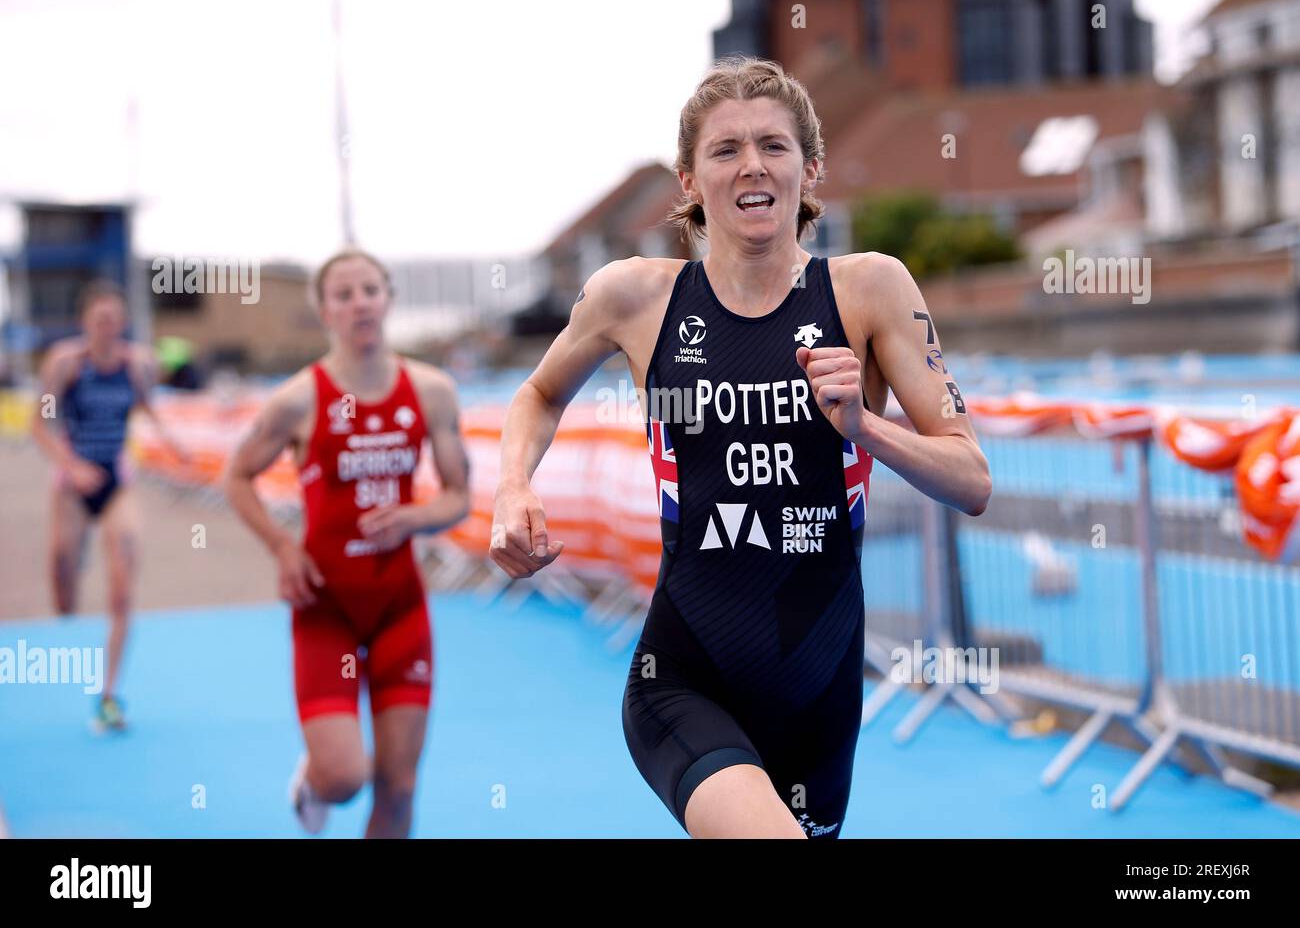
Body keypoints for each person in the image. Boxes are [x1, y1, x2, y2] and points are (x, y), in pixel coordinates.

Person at [489, 57, 991, 838]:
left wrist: (866, 427)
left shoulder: (870, 289)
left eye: (773, 146)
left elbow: (972, 479)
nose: (751, 165)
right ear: (689, 180)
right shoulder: (635, 296)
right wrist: (513, 488)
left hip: (821, 683)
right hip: (682, 675)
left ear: (810, 168)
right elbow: (539, 393)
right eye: (726, 150)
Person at [223, 249, 470, 838]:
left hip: (398, 609)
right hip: (325, 608)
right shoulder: (297, 400)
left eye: (369, 290)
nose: (359, 303)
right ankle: (313, 780)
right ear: (324, 311)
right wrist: (283, 549)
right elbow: (235, 476)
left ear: (387, 299)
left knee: (399, 786)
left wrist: (413, 518)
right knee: (344, 778)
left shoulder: (431, 391)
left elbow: (459, 496)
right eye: (343, 294)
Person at [30, 279, 188, 733]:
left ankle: (108, 694)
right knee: (62, 576)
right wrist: (72, 466)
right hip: (71, 484)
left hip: (117, 483)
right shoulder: (64, 364)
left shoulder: (137, 365)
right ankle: (69, 591)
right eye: (101, 320)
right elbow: (40, 425)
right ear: (85, 323)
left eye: (116, 320)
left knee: (122, 587)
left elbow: (147, 408)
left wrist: (175, 445)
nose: (109, 327)